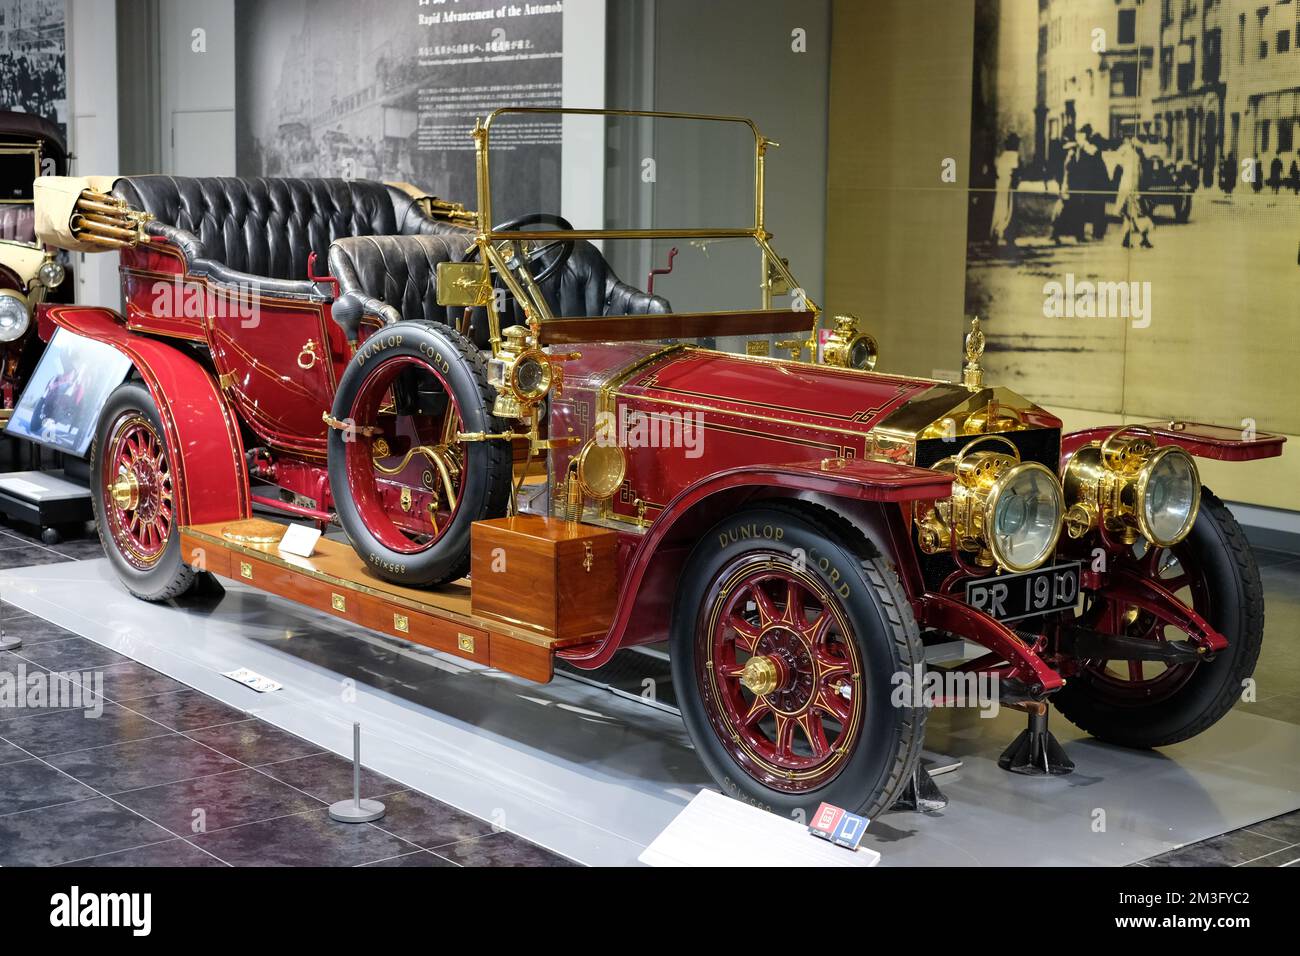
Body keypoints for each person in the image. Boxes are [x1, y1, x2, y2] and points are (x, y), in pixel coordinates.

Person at [1115, 133, 1153, 249]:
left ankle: (1127, 239)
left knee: (1129, 215)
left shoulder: (1135, 154)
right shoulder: (1130, 153)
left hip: (1129, 188)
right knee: (1139, 214)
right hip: (1130, 189)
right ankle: (1144, 239)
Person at [989, 132, 1020, 248]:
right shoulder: (1014, 156)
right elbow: (1016, 172)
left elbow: (998, 173)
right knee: (1010, 211)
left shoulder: (1002, 156)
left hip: (1001, 186)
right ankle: (1009, 236)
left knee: (1000, 210)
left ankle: (996, 234)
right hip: (1009, 188)